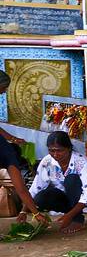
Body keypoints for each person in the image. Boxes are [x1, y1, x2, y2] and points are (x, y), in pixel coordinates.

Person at [28, 130, 87, 235]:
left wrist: (71, 215)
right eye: (51, 150)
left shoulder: (81, 162)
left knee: (71, 179)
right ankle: (70, 213)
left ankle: (77, 219)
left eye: (59, 150)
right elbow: (36, 187)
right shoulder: (47, 162)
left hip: (85, 197)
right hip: (65, 198)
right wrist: (23, 211)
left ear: (69, 148)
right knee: (40, 198)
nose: (55, 154)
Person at [0, 70, 44, 218]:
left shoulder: (6, 150)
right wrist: (36, 213)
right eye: (4, 87)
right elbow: (21, 189)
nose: (4, 91)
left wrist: (12, 138)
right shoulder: (10, 156)